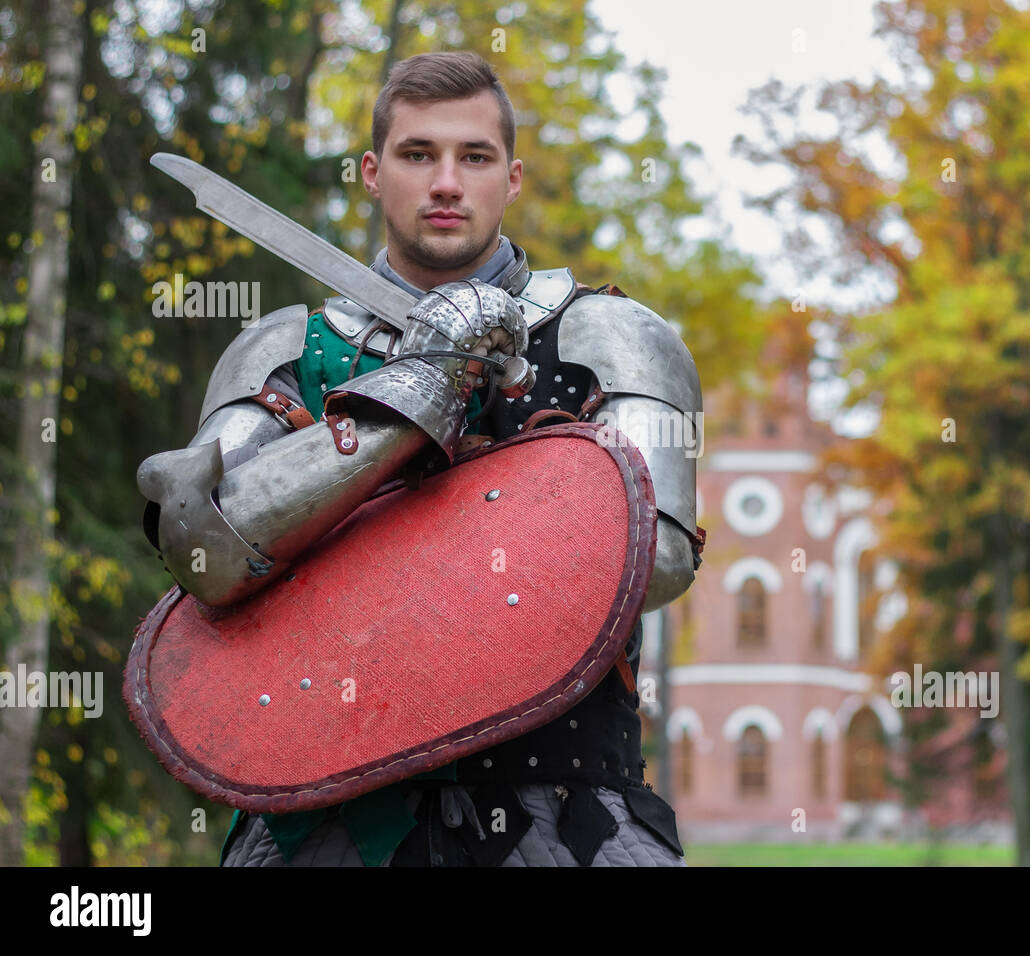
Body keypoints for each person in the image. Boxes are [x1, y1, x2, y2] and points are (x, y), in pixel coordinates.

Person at [135, 51, 704, 867]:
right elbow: (203, 552)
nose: (446, 182)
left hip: (562, 815)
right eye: (417, 155)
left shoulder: (607, 338)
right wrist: (421, 395)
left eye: (473, 157)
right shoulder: (286, 349)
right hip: (322, 819)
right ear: (372, 173)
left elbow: (658, 558)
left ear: (511, 178)